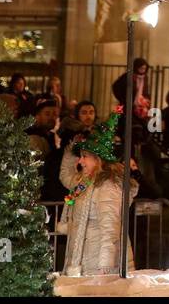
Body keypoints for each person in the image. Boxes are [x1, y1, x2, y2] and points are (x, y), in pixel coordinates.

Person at [58, 116, 138, 277]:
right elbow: (65, 176)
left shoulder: (108, 186)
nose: (80, 161)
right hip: (84, 262)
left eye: (84, 156)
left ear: (98, 159)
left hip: (98, 267)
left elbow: (110, 230)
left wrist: (105, 268)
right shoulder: (85, 182)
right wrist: (70, 150)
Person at [112, 58, 152, 122]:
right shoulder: (128, 76)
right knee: (124, 121)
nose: (143, 70)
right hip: (127, 104)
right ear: (136, 67)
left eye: (144, 68)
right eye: (141, 68)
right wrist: (122, 98)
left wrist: (146, 99)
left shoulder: (145, 77)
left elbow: (145, 90)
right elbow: (116, 86)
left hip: (140, 106)